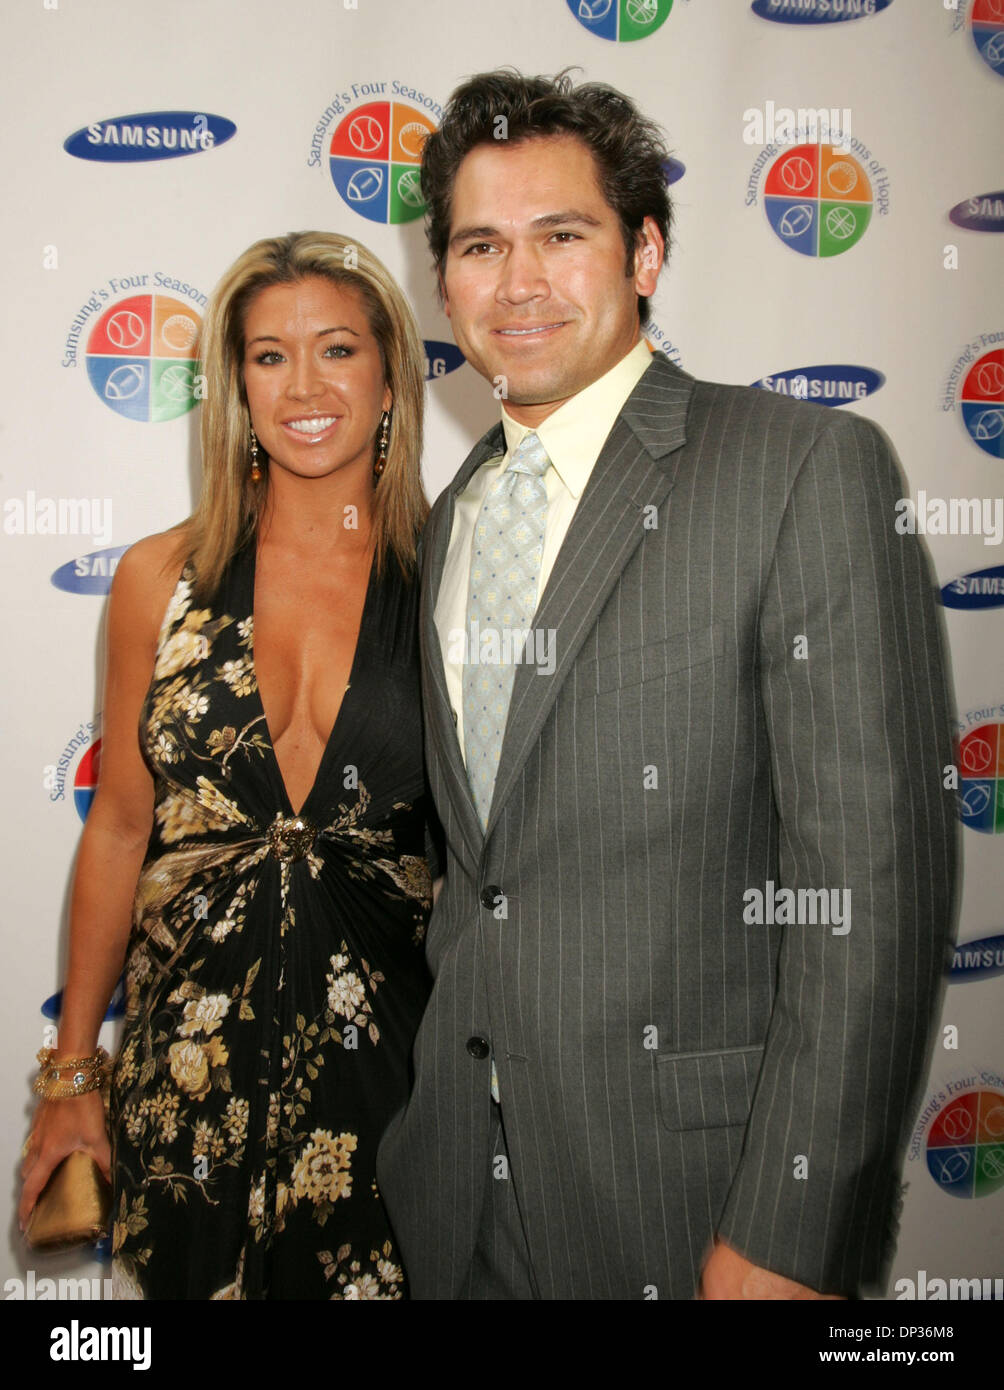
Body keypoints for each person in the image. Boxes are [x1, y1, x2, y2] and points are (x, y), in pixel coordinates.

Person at [376, 71, 957, 1300]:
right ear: (445, 284)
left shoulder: (797, 467)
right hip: (454, 1196)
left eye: (562, 236)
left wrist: (788, 1234)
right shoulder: (450, 520)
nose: (517, 282)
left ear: (643, 251)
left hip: (694, 1205)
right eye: (480, 246)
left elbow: (867, 894)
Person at [19, 231, 435, 1300]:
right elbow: (119, 826)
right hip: (184, 1084)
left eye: (337, 349)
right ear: (233, 387)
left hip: (392, 1085)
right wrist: (74, 1075)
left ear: (390, 373)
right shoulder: (164, 576)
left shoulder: (451, 579)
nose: (303, 385)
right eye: (267, 355)